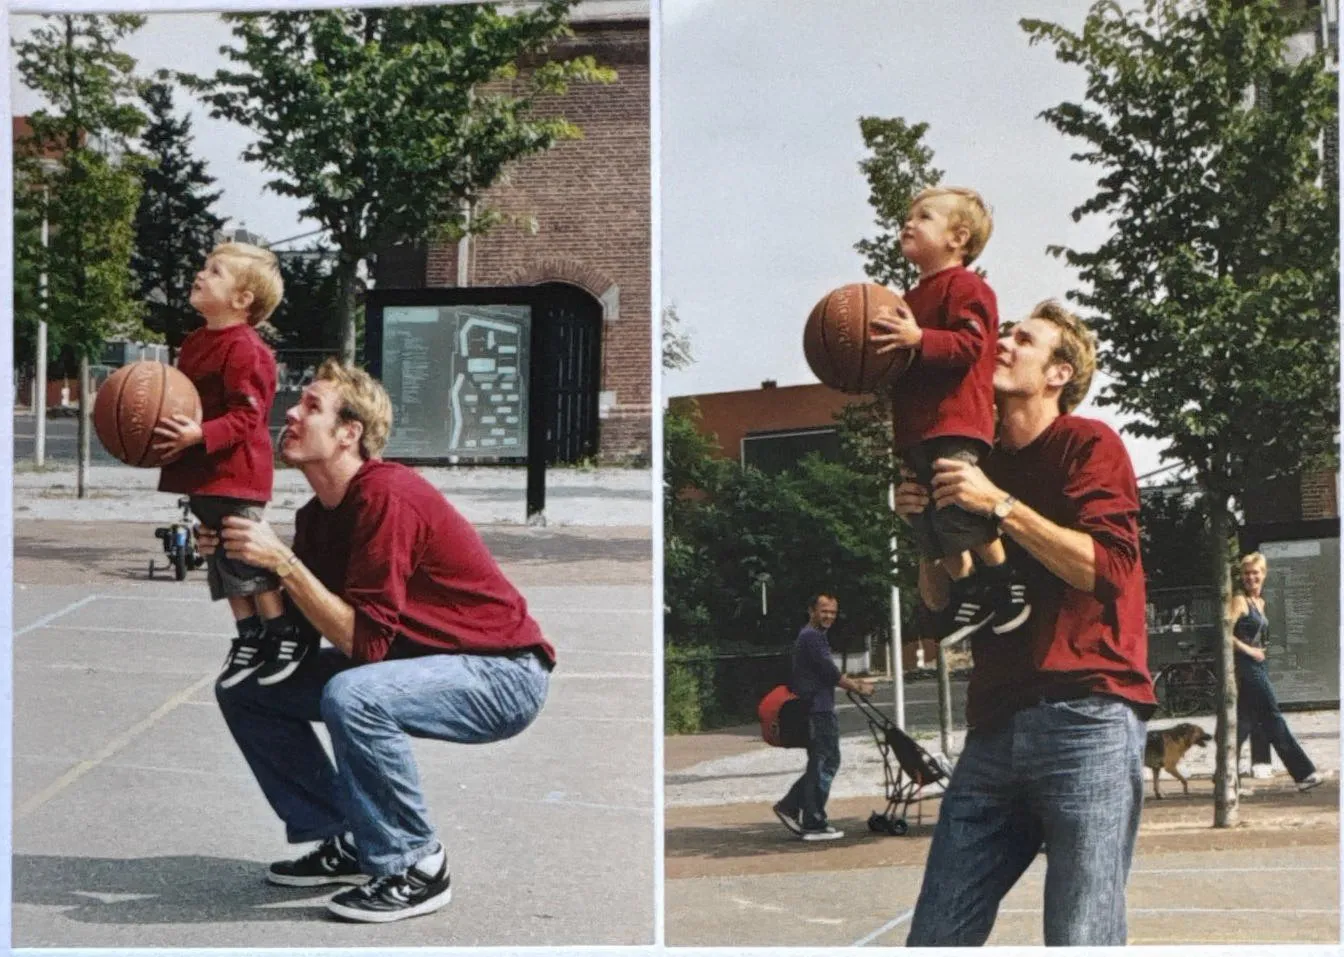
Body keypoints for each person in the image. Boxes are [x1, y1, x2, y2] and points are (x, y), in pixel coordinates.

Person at [197, 359, 555, 923]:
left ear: (349, 433)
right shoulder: (318, 516)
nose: (290, 411)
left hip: (502, 673)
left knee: (354, 692)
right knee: (246, 689)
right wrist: (239, 564)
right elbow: (293, 633)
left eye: (312, 406)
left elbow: (363, 647)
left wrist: (282, 560)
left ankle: (418, 864)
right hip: (422, 663)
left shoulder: (388, 496)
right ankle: (348, 838)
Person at [893, 300, 1155, 947]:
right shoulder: (973, 459)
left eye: (1023, 339)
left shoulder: (1089, 444)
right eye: (1004, 334)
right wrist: (923, 529)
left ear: (1058, 373)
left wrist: (999, 505)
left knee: (1080, 935)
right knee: (936, 933)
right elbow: (942, 603)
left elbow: (1108, 568)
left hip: (1087, 717)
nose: (1003, 344)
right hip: (995, 725)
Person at [870, 186, 1030, 647]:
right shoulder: (904, 299)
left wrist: (919, 338)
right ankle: (970, 592)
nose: (909, 222)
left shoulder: (968, 288)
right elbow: (898, 364)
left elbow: (971, 345)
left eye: (923, 216)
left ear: (958, 237)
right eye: (907, 215)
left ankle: (1006, 582)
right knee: (929, 524)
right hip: (916, 430)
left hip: (956, 422)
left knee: (959, 511)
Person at [153, 242, 307, 688]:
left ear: (242, 300)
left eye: (215, 271)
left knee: (246, 557)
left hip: (237, 475)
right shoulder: (196, 342)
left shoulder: (247, 349)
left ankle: (283, 632)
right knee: (218, 557)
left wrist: (200, 435)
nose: (201, 274)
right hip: (204, 474)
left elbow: (248, 416)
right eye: (204, 267)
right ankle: (249, 635)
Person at [772, 594, 874, 841]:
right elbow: (830, 674)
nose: (829, 616)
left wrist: (853, 682)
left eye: (833, 612)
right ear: (811, 611)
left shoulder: (813, 637)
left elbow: (825, 673)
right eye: (824, 611)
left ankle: (794, 807)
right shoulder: (812, 638)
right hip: (817, 710)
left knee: (822, 762)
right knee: (825, 762)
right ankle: (812, 820)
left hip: (817, 708)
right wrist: (859, 688)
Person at [1230, 552, 1323, 792]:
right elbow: (1224, 634)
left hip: (1257, 665)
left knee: (1243, 724)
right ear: (1242, 576)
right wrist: (1250, 651)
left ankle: (1226, 778)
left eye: (1256, 573)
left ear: (1264, 574)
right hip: (1247, 668)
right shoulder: (1239, 601)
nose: (1251, 577)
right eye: (1247, 573)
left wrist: (1262, 649)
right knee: (1273, 716)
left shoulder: (1259, 603)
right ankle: (1304, 774)